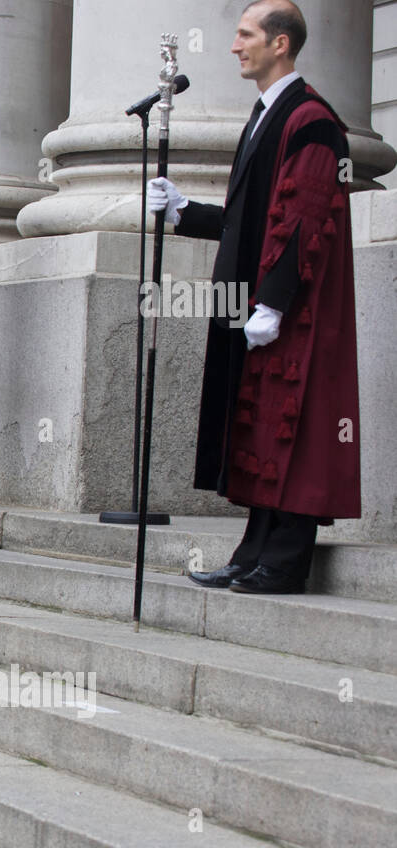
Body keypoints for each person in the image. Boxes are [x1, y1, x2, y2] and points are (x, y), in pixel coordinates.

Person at [148, 0, 359, 595]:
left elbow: (308, 215)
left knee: (291, 422)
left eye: (246, 35)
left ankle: (286, 557)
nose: (235, 46)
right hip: (253, 300)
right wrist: (186, 211)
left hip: (292, 308)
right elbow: (256, 218)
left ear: (281, 44)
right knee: (260, 426)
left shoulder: (312, 119)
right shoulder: (268, 114)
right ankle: (255, 548)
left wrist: (274, 299)